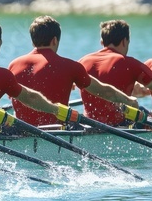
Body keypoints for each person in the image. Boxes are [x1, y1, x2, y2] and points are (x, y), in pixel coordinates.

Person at [8, 16, 138, 127]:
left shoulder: (13, 65)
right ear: (55, 40)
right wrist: (128, 100)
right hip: (57, 133)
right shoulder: (70, 66)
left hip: (22, 131)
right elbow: (104, 91)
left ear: (33, 41)